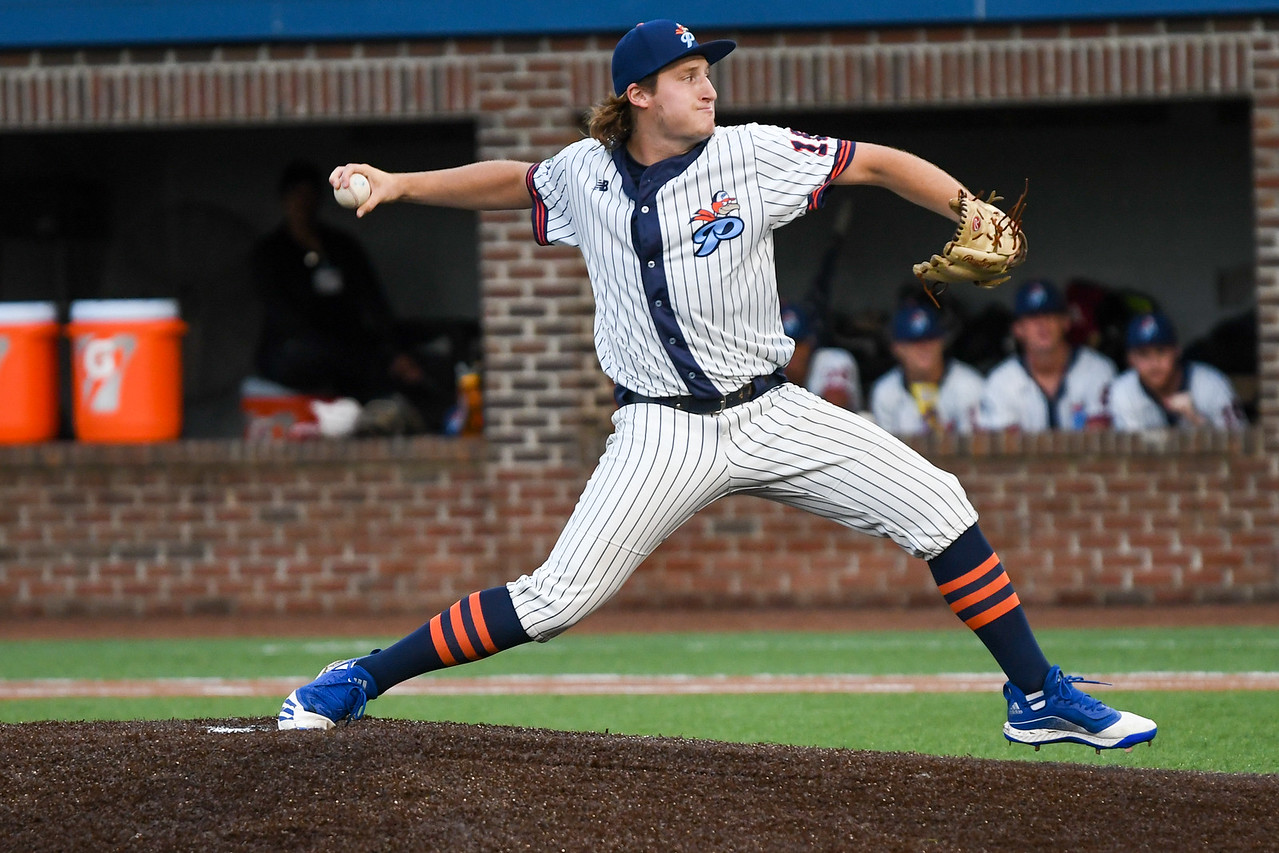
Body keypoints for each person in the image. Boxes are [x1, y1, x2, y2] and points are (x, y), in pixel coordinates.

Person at [278, 20, 1156, 753]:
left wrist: (971, 207)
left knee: (938, 503)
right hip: (662, 431)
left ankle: (1035, 694)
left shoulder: (752, 155)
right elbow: (514, 183)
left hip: (770, 408)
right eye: (688, 75)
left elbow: (877, 163)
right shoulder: (585, 171)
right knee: (556, 598)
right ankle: (358, 676)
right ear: (639, 96)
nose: (708, 88)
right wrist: (397, 182)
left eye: (707, 73)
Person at [250, 159, 447, 434]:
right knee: (332, 358)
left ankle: (394, 416)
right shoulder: (270, 253)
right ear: (284, 199)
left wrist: (393, 351)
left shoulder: (340, 246)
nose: (303, 204)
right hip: (295, 351)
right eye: (297, 195)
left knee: (401, 362)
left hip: (349, 343)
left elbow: (373, 301)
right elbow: (280, 314)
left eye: (309, 196)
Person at [979, 279, 1117, 432]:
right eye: (1032, 318)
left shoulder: (1097, 369)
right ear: (1018, 329)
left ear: (1066, 322)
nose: (1042, 324)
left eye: (1050, 315)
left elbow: (1100, 441)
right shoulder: (1001, 381)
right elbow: (1006, 449)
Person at [1109, 310, 1246, 431]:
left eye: (1161, 351)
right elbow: (1129, 456)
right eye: (1144, 354)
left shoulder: (1212, 384)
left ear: (1177, 351)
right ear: (1130, 359)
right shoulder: (1123, 391)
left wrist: (1195, 417)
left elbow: (1242, 446)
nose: (1154, 363)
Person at [870, 303, 984, 436]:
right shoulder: (885, 392)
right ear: (897, 348)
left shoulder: (970, 385)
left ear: (942, 342)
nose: (924, 348)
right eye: (914, 342)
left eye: (930, 339)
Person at [780, 301, 863, 411]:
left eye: (797, 344)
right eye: (781, 344)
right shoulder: (760, 372)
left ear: (810, 343)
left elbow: (836, 414)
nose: (790, 352)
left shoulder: (832, 360)